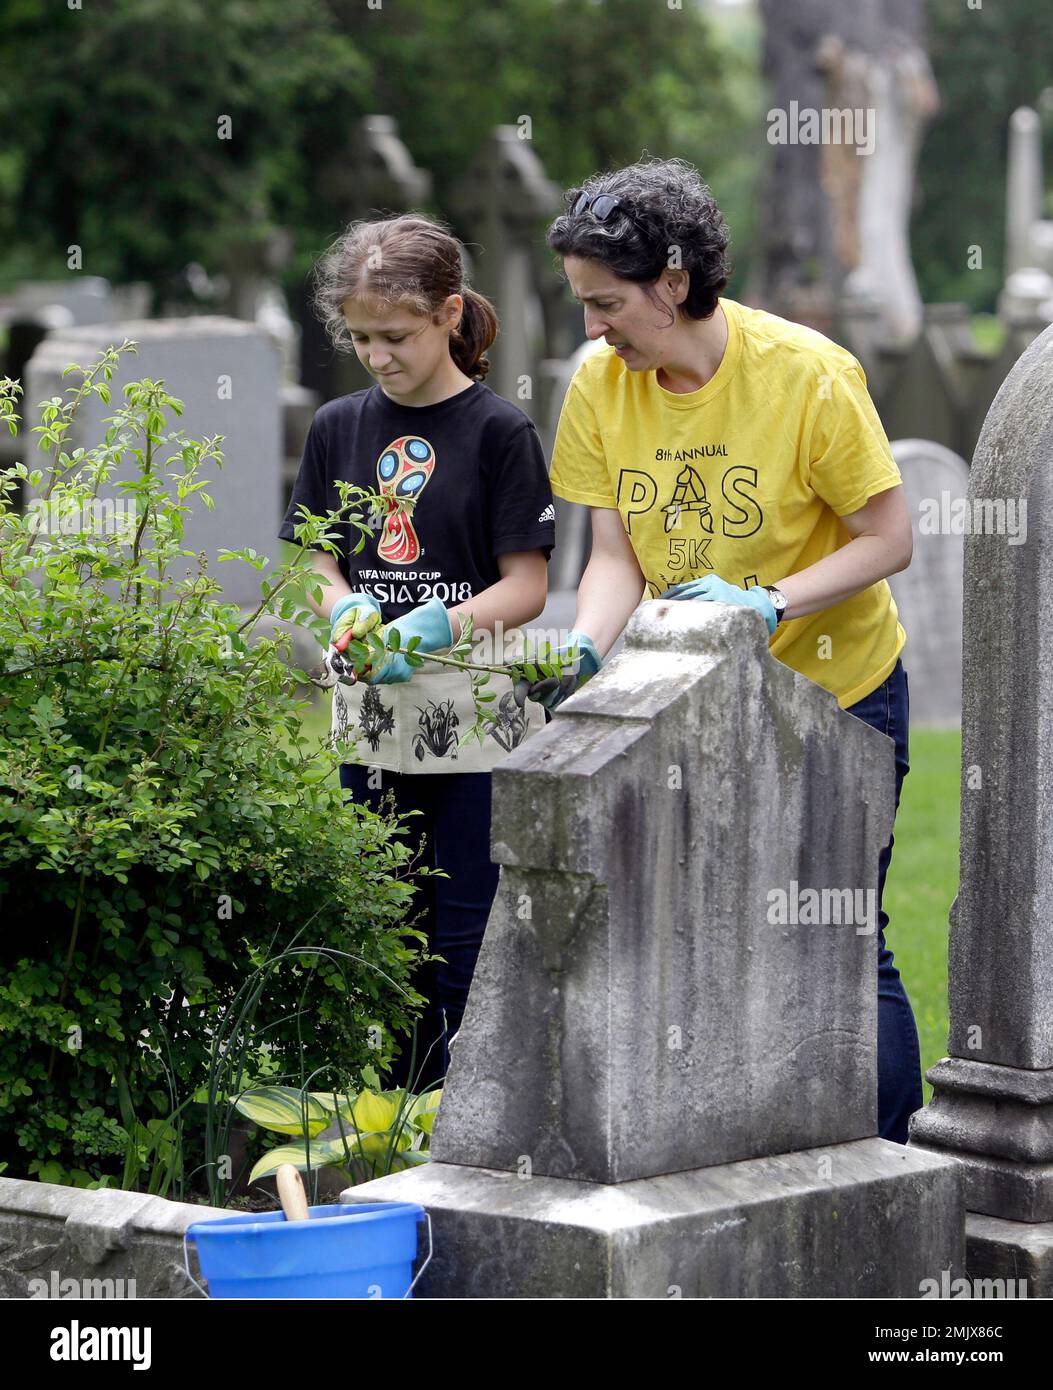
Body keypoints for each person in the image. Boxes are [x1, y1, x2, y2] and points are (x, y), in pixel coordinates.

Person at [522, 157, 922, 1144]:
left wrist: (767, 600)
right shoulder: (600, 386)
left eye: (606, 302)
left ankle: (891, 1164)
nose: (592, 329)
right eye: (581, 305)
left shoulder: (808, 376)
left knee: (836, 941)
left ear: (672, 280)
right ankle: (754, 1149)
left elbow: (890, 538)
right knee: (712, 935)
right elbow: (613, 553)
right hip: (691, 695)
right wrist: (584, 648)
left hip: (837, 694)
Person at [279, 214, 556, 1092]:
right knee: (382, 918)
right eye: (359, 337)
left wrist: (435, 624)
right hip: (370, 714)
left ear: (446, 315)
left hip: (474, 721)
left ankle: (463, 1110)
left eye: (394, 336)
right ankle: (392, 1107)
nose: (376, 355)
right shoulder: (336, 427)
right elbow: (317, 558)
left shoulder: (498, 431)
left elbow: (526, 586)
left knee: (465, 932)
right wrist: (344, 608)